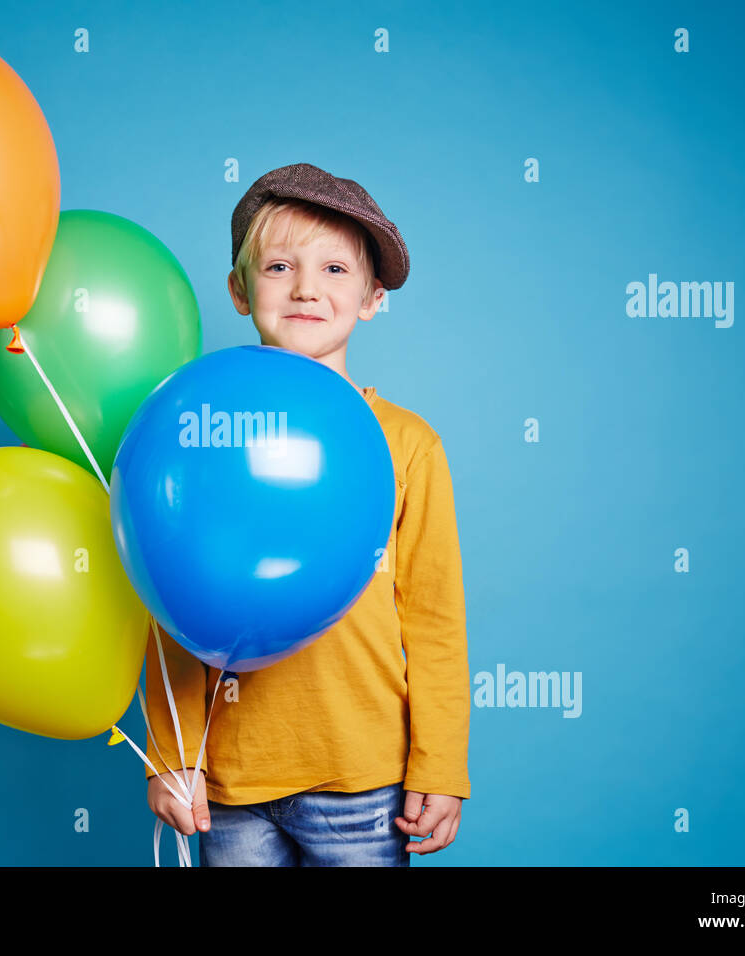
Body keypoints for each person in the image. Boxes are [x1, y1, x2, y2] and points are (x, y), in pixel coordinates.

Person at [143, 162, 470, 866]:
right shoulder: (198, 430)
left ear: (373, 296)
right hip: (230, 782)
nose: (306, 289)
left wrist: (440, 764)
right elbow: (168, 600)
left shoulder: (408, 445)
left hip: (364, 782)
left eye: (334, 269)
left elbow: (436, 621)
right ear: (238, 290)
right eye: (280, 265)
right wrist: (171, 754)